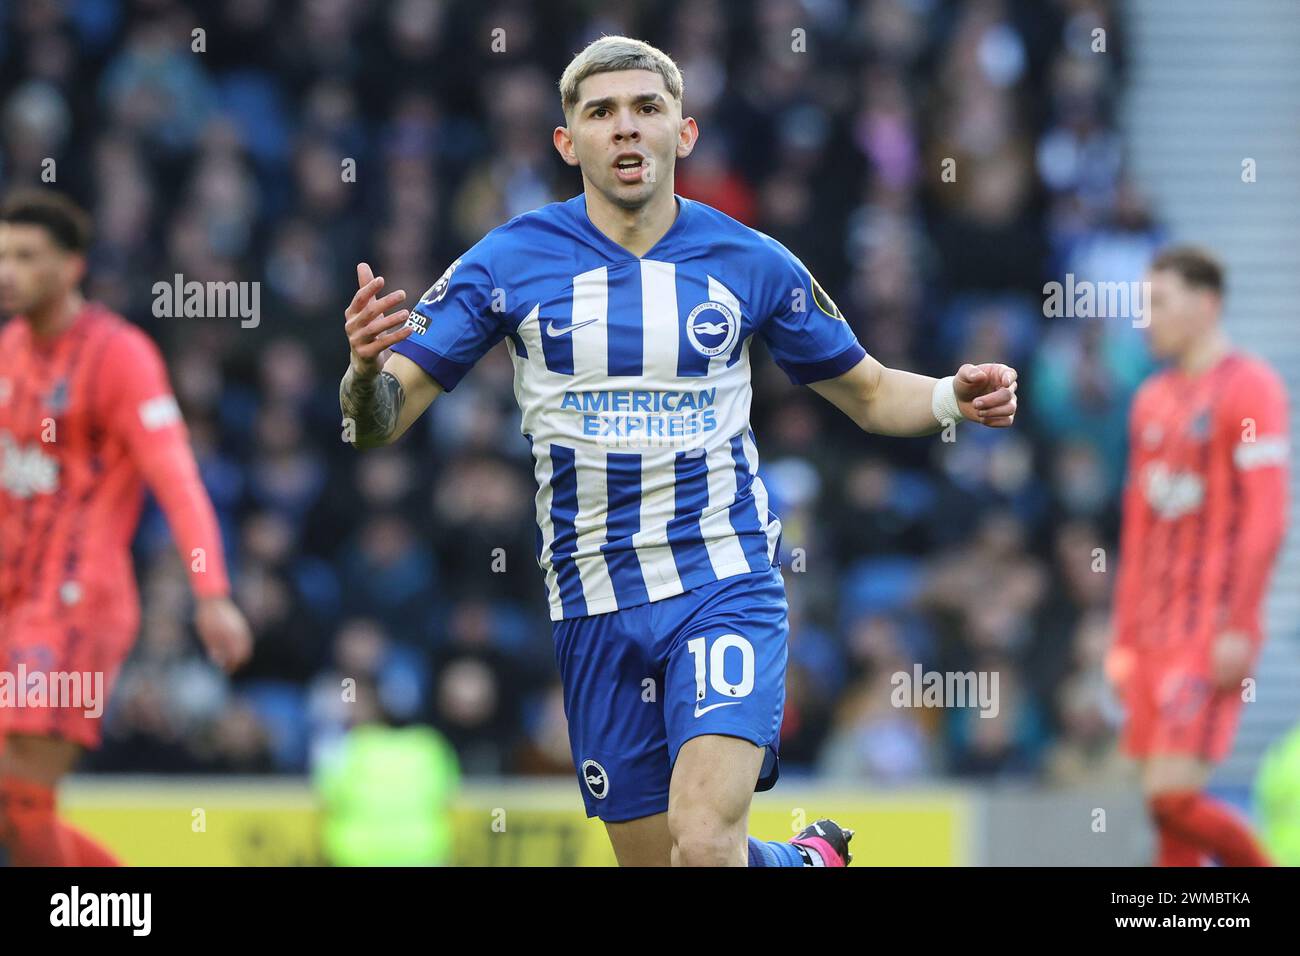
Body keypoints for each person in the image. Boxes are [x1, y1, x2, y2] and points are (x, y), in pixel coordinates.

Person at [339, 36, 1019, 867]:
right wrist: (363, 372)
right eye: (601, 113)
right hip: (592, 600)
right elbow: (375, 423)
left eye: (646, 108)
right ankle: (805, 861)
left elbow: (871, 393)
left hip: (721, 580)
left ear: (683, 132)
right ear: (568, 143)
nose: (626, 127)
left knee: (701, 846)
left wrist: (952, 396)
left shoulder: (750, 261)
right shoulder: (507, 262)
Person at [0, 190, 252, 866]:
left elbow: (177, 478)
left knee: (17, 795)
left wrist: (211, 593)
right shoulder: (9, 351)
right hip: (12, 603)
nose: (7, 273)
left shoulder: (119, 355)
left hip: (75, 605)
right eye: (2, 256)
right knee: (17, 808)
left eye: (26, 256)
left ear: (71, 267)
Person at [1107, 246, 1289, 866]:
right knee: (1165, 816)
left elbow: (1267, 517)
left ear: (1207, 304)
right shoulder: (1150, 399)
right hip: (1150, 635)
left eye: (1159, 302)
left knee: (1171, 796)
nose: (1146, 318)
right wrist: (1124, 639)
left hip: (1208, 627)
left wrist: (1240, 622)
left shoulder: (1251, 387)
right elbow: (1137, 528)